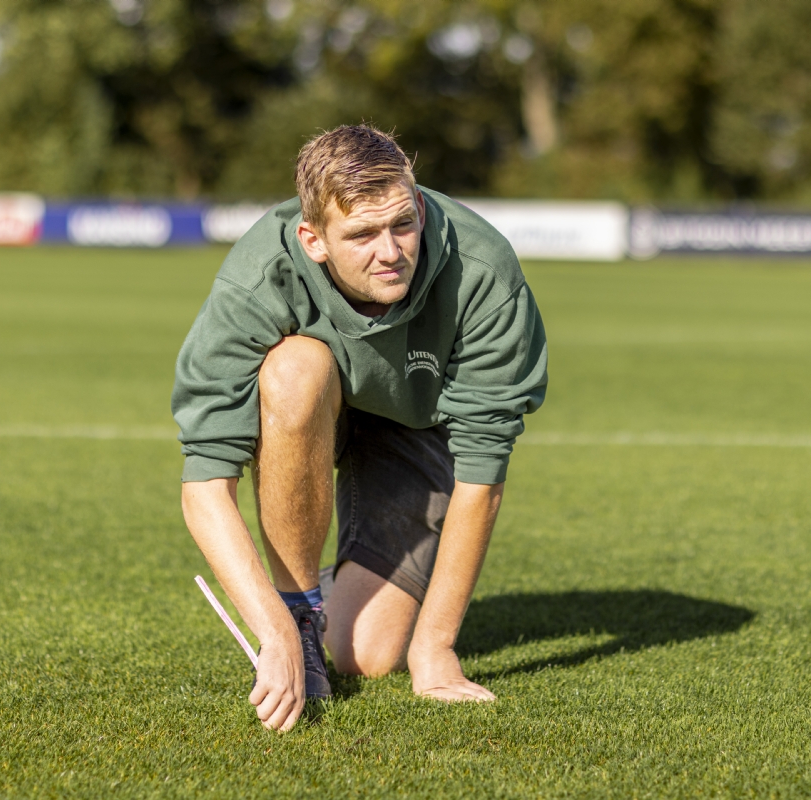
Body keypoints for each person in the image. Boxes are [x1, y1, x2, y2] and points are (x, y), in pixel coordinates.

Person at [172, 124, 547, 732]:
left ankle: (330, 598)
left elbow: (482, 472)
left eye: (402, 223)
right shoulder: (260, 272)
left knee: (365, 656)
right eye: (362, 235)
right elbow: (206, 482)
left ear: (419, 205)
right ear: (313, 240)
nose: (391, 251)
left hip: (418, 425)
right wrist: (274, 629)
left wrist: (435, 650)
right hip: (315, 405)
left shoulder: (484, 271)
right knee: (295, 368)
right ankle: (299, 607)